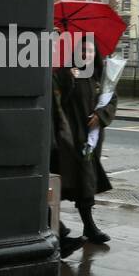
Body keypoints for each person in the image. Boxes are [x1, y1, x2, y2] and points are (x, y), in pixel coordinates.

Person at [50, 35, 117, 254]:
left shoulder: (99, 77)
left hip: (89, 141)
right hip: (68, 141)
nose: (86, 55)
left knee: (86, 184)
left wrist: (101, 114)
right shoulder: (64, 74)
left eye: (89, 51)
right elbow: (57, 103)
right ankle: (56, 226)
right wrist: (68, 79)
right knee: (63, 184)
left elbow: (111, 100)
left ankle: (88, 226)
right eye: (82, 51)